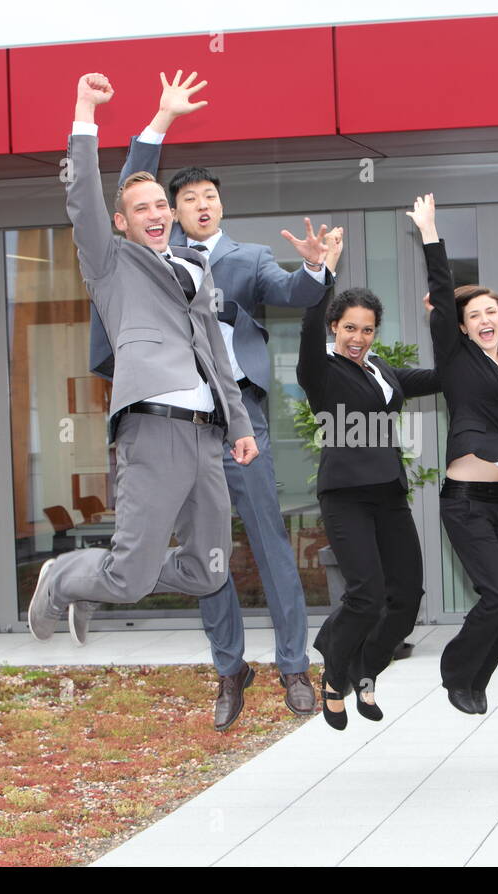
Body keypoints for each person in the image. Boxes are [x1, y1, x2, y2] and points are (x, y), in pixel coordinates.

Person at [88, 71, 335, 730]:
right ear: (164, 210)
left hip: (239, 421)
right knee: (208, 558)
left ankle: (293, 666)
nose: (198, 205)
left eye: (208, 197)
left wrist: (315, 269)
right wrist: (159, 120)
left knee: (271, 545)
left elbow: (297, 295)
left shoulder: (247, 260)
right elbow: (125, 194)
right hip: (175, 426)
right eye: (185, 197)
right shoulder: (142, 258)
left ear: (219, 207)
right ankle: (230, 668)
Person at [29, 74, 260, 676]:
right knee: (130, 579)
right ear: (123, 223)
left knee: (209, 569)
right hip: (152, 430)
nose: (156, 213)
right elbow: (81, 199)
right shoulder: (110, 265)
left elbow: (215, 354)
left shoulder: (192, 270)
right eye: (142, 208)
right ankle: (66, 577)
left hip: (207, 435)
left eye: (163, 204)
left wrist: (238, 423)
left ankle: (95, 581)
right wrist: (85, 110)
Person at [407, 194, 498, 715]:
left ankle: (475, 675)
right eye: (475, 315)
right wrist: (430, 233)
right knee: (497, 597)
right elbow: (443, 297)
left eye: (492, 311)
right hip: (466, 502)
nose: (485, 319)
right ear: (464, 328)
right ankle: (456, 671)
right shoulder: (456, 359)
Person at [296, 228, 441, 730]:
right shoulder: (323, 371)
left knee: (407, 597)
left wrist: (453, 325)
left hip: (389, 495)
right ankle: (335, 672)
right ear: (335, 327)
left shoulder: (380, 369)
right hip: (346, 496)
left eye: (367, 329)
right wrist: (325, 273)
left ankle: (366, 668)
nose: (358, 338)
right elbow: (310, 328)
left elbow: (437, 378)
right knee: (366, 594)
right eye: (349, 328)